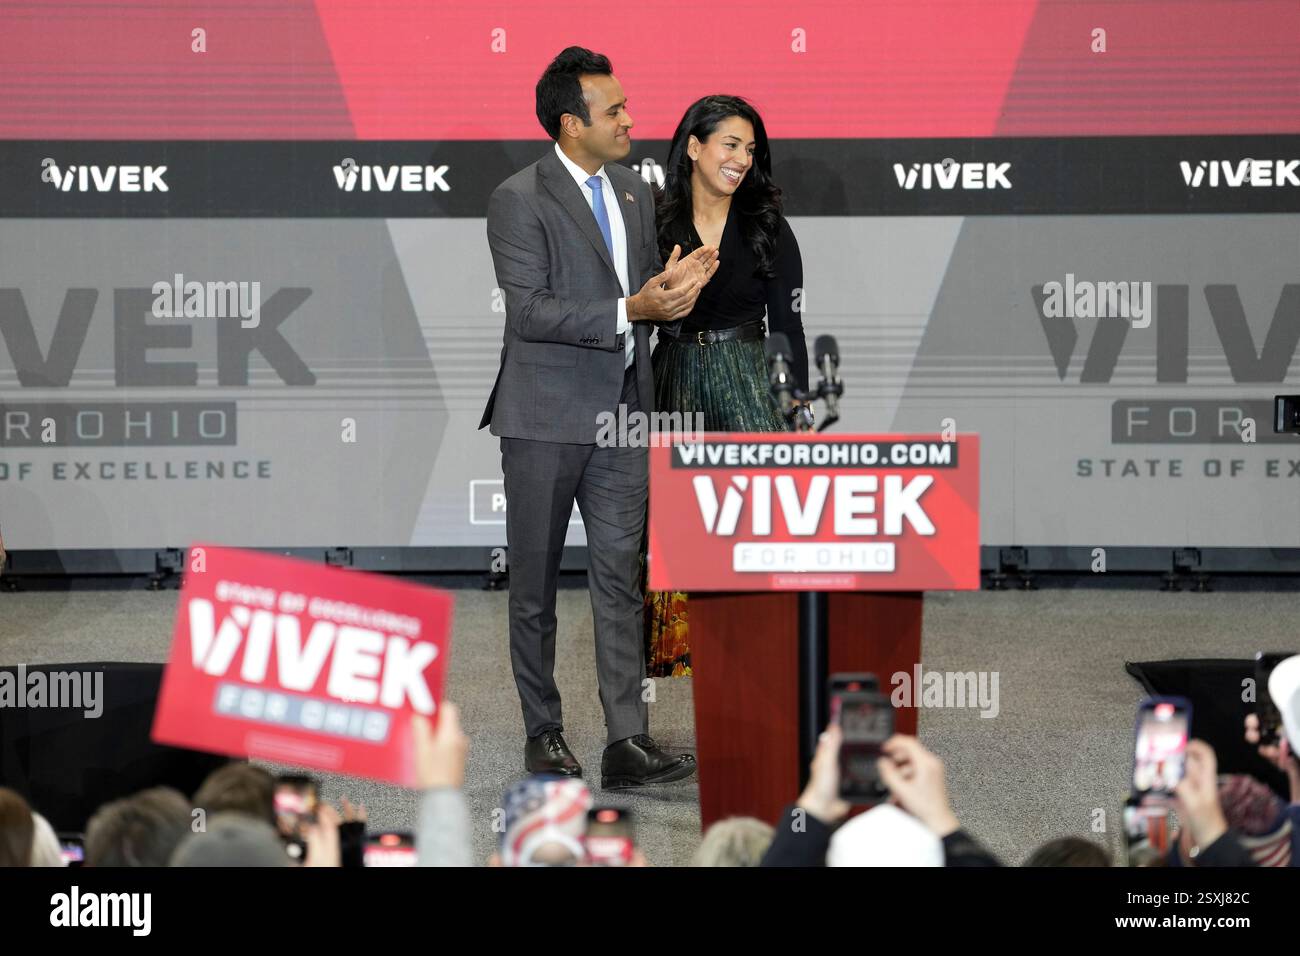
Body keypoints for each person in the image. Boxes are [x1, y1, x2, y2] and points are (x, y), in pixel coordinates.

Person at [481, 46, 717, 789]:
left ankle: (627, 741)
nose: (629, 119)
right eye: (613, 110)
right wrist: (632, 308)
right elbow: (532, 311)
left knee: (621, 584)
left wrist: (671, 296)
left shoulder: (634, 192)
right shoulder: (519, 198)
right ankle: (543, 731)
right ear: (570, 123)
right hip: (544, 418)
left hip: (626, 415)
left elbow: (644, 298)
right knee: (536, 587)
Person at [644, 94, 809, 677]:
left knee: (755, 535)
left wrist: (796, 405)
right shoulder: (656, 219)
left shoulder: (766, 224)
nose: (742, 159)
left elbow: (789, 326)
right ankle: (705, 684)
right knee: (685, 543)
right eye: (730, 145)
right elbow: (639, 311)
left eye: (751, 150)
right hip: (677, 380)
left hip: (750, 381)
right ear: (694, 146)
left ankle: (766, 678)